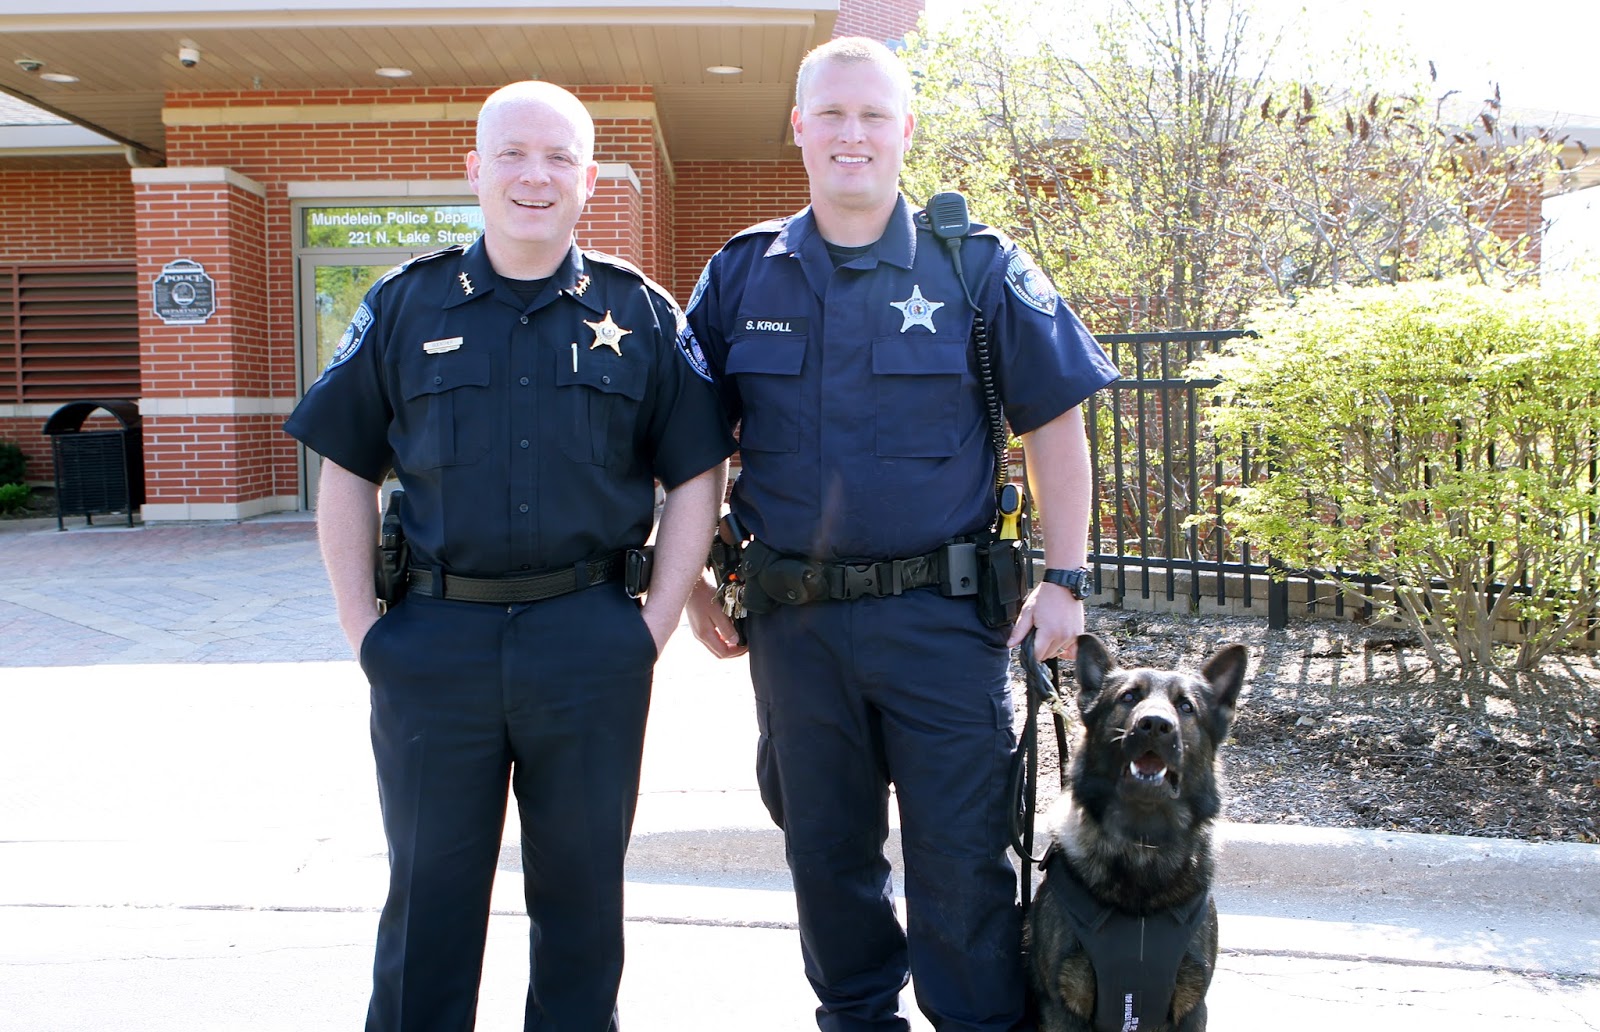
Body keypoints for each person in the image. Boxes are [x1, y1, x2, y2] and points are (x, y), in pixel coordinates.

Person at [682, 38, 1120, 1032]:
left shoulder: (975, 267)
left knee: (962, 861)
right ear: (797, 125)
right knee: (825, 856)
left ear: (904, 130)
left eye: (873, 115)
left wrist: (1064, 577)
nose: (852, 133)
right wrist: (694, 580)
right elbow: (688, 441)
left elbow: (1056, 420)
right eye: (831, 113)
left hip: (943, 623)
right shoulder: (744, 275)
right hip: (794, 631)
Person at [283, 81, 734, 1031]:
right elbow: (346, 468)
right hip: (435, 644)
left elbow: (699, 468)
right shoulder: (403, 305)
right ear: (474, 170)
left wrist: (653, 620)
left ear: (591, 179)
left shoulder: (640, 313)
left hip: (588, 643)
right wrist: (363, 628)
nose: (536, 175)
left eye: (560, 156)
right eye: (515, 154)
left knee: (580, 907)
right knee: (428, 904)